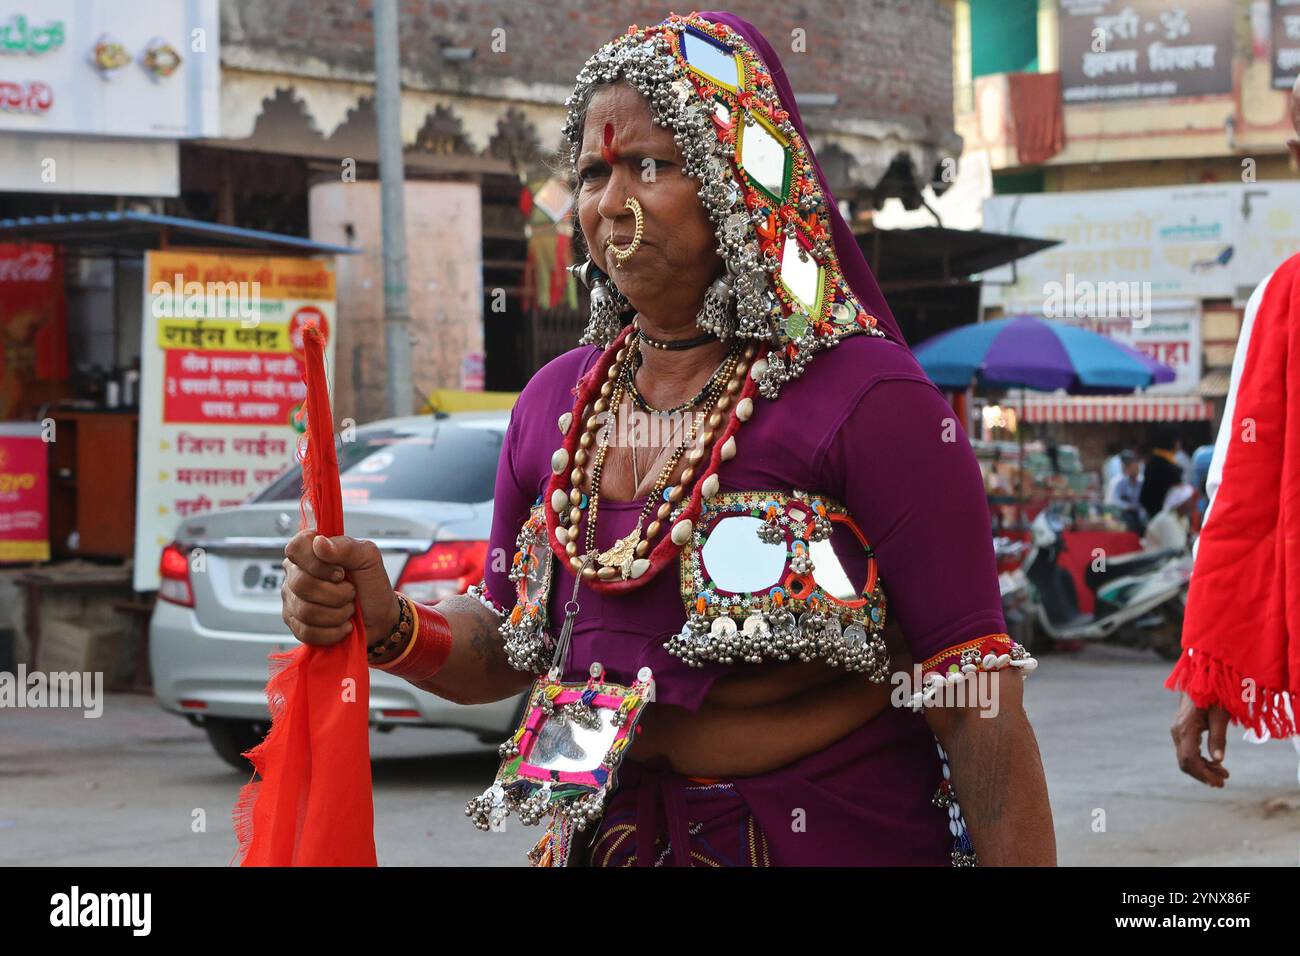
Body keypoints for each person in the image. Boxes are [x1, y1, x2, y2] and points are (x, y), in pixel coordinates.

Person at [280, 10, 1054, 866]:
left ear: (738, 176)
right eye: (590, 173)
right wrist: (388, 623)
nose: (611, 203)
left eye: (651, 166)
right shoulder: (552, 406)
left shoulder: (872, 401)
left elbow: (977, 704)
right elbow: (505, 638)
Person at [1168, 73, 1300, 787]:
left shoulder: (1281, 302)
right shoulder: (1279, 303)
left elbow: (1234, 498)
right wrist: (1211, 672)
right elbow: (1241, 504)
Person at [1138, 424, 1184, 527]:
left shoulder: (1154, 460)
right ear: (1173, 442)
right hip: (1161, 516)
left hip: (1156, 513)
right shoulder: (1165, 465)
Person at [1140, 484, 1194, 553]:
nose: (1192, 505)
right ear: (1180, 504)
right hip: (1157, 561)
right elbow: (1177, 547)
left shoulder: (1183, 519)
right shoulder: (1166, 519)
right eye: (1189, 502)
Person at [1104, 451, 1144, 533]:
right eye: (1132, 466)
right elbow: (1112, 501)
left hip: (1140, 516)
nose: (1135, 468)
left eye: (1136, 466)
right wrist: (1128, 507)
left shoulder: (1142, 481)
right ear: (1126, 467)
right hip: (1123, 516)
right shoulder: (1118, 481)